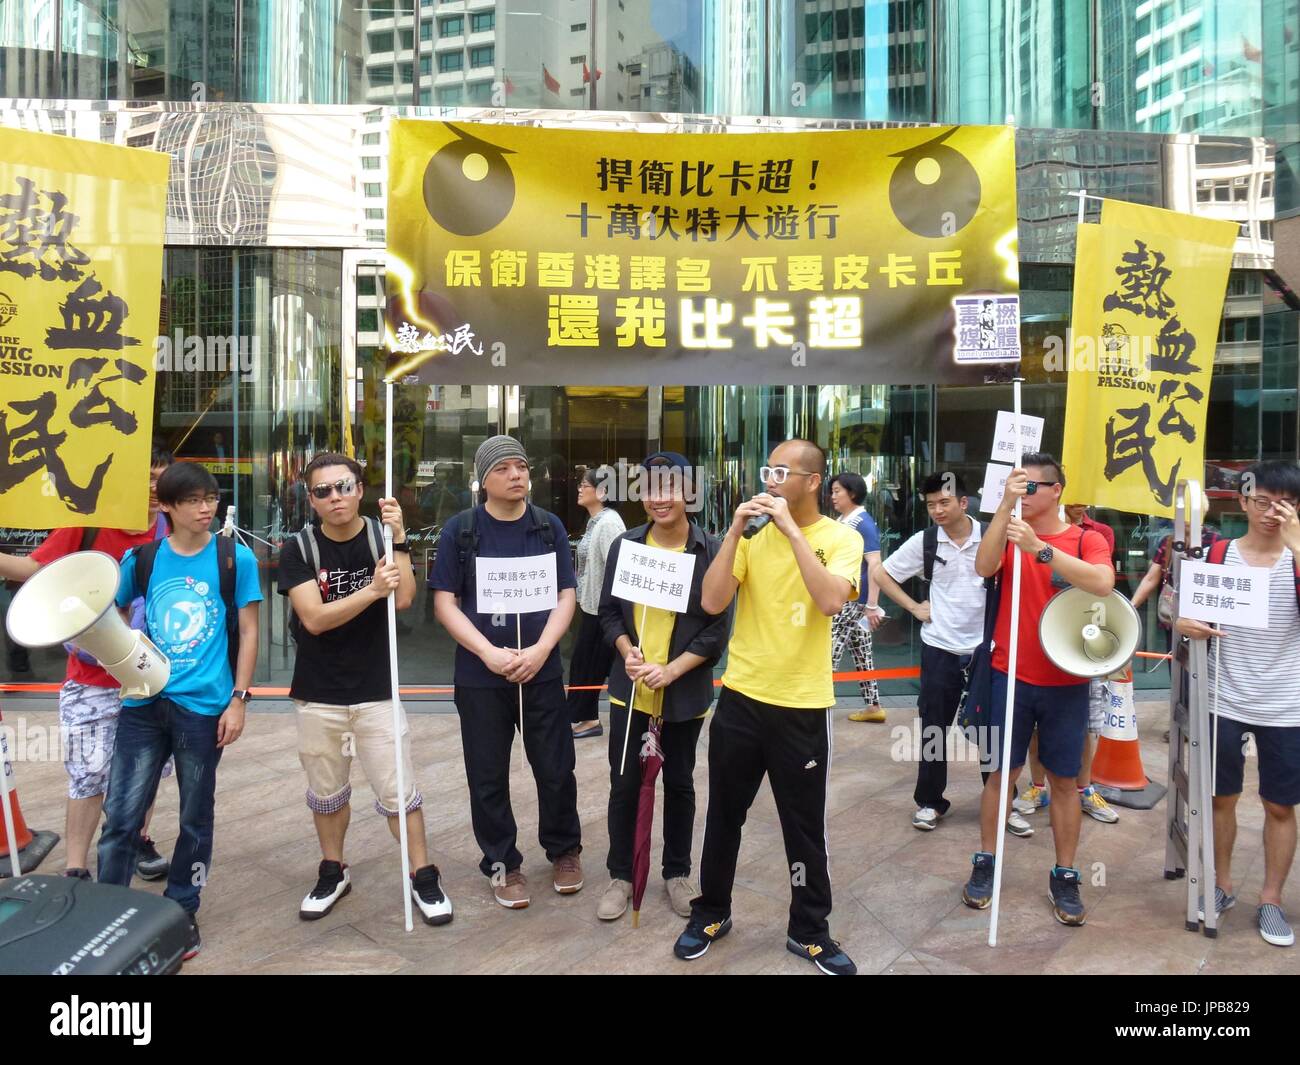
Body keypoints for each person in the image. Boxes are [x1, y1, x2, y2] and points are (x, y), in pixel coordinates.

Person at [674, 439, 862, 976]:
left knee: (802, 826)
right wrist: (735, 530)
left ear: (813, 482)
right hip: (740, 698)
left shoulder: (838, 539)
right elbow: (711, 602)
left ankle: (809, 930)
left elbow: (829, 600)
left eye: (784, 472)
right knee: (724, 816)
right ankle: (711, 912)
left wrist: (792, 532)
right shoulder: (749, 539)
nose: (772, 480)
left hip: (802, 705)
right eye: (768, 470)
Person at [277, 452, 452, 926]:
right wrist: (371, 591)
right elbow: (313, 618)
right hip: (319, 691)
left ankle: (422, 873)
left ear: (360, 489)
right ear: (310, 499)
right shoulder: (299, 549)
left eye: (344, 487)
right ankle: (333, 869)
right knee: (327, 792)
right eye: (323, 491)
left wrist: (398, 541)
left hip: (376, 688)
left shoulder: (380, 538)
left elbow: (407, 598)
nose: (335, 497)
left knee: (399, 791)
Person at [97, 461, 262, 960]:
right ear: (165, 507)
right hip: (144, 703)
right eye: (192, 500)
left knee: (195, 814)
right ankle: (109, 910)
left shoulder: (235, 558)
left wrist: (239, 699)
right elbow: (112, 611)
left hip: (204, 706)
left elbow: (250, 631)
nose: (205, 508)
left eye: (210, 497)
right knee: (122, 814)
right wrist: (126, 655)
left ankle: (182, 908)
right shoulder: (142, 559)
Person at [0, 445, 176, 882]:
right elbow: (33, 567)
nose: (154, 488)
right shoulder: (89, 524)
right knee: (87, 774)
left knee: (146, 768)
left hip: (150, 674)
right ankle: (77, 866)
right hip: (92, 679)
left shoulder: (173, 528)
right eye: (145, 478)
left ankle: (133, 838)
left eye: (162, 478)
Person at [962, 454, 1114, 927]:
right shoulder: (1008, 532)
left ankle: (1065, 874)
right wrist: (1005, 508)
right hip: (1010, 673)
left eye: (1030, 486)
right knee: (999, 775)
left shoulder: (1086, 538)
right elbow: (984, 568)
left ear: (1056, 490)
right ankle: (986, 862)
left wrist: (1041, 550)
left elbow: (1103, 584)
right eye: (1017, 484)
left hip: (1066, 679)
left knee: (1065, 781)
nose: (1024, 492)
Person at [431, 436, 582, 909]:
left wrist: (541, 650)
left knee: (556, 767)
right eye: (503, 469)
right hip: (481, 677)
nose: (516, 475)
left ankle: (564, 850)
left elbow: (566, 595)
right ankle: (502, 863)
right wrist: (488, 653)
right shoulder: (461, 530)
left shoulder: (548, 526)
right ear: (482, 480)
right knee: (487, 774)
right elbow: (445, 603)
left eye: (521, 466)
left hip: (541, 671)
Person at [596, 451, 732, 921]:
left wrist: (672, 670)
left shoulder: (711, 551)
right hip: (630, 691)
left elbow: (717, 629)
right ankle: (620, 875)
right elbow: (608, 612)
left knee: (679, 783)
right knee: (625, 783)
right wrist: (625, 648)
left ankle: (677, 872)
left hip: (683, 693)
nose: (660, 499)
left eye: (670, 487)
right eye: (650, 488)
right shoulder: (627, 546)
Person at [1176, 460, 1300, 947]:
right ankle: (1221, 887)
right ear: (1243, 502)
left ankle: (1271, 899)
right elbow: (1179, 609)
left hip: (1288, 703)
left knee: (1280, 805)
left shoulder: (1295, 557)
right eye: (1263, 500)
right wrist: (1183, 622)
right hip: (1222, 698)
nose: (1273, 511)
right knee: (1219, 798)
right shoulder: (1218, 554)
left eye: (1286, 503)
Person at [1015, 501, 1122, 826]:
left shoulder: (1097, 534)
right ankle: (1037, 786)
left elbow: (1098, 581)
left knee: (1084, 727)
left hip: (1079, 648)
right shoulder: (1027, 530)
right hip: (1034, 648)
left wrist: (1044, 551)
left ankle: (1083, 788)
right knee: (1034, 728)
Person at [569, 466, 626, 739]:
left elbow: (618, 570)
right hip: (592, 607)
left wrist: (610, 611)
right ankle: (586, 717)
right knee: (584, 662)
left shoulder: (609, 524)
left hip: (602, 610)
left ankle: (590, 720)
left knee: (590, 664)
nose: (580, 488)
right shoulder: (597, 521)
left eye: (585, 484)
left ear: (602, 491)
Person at [828, 471, 885, 723]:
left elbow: (875, 564)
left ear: (852, 493)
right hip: (853, 599)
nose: (833, 496)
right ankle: (873, 706)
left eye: (837, 491)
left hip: (851, 599)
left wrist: (872, 605)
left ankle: (816, 706)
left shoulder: (861, 522)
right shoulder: (846, 519)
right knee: (861, 650)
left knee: (828, 650)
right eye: (832, 491)